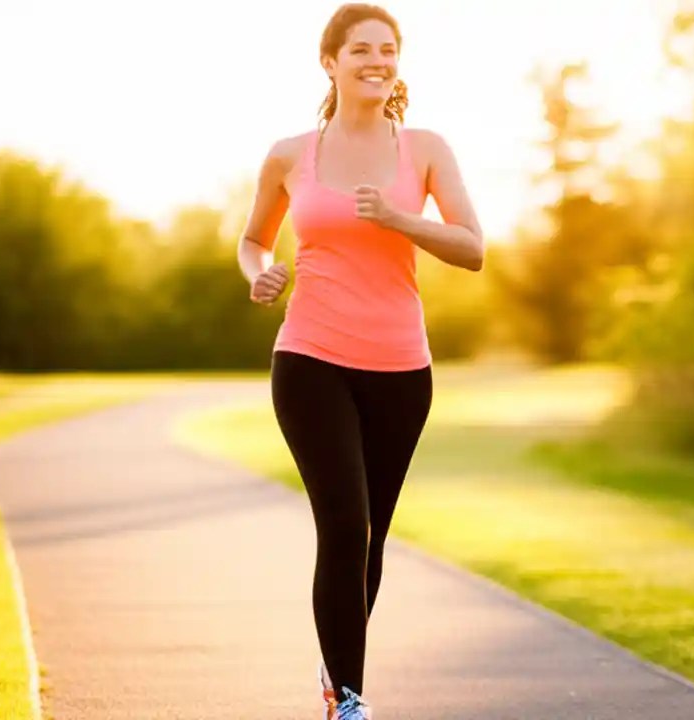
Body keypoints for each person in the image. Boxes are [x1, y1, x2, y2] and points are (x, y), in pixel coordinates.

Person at [235, 4, 483, 718]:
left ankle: (334, 659)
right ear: (330, 62)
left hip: (403, 368)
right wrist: (258, 272)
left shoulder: (426, 148)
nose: (378, 60)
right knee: (344, 524)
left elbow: (473, 248)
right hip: (310, 356)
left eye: (389, 50)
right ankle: (349, 699)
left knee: (369, 537)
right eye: (363, 49)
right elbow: (253, 238)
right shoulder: (290, 154)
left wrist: (402, 220)